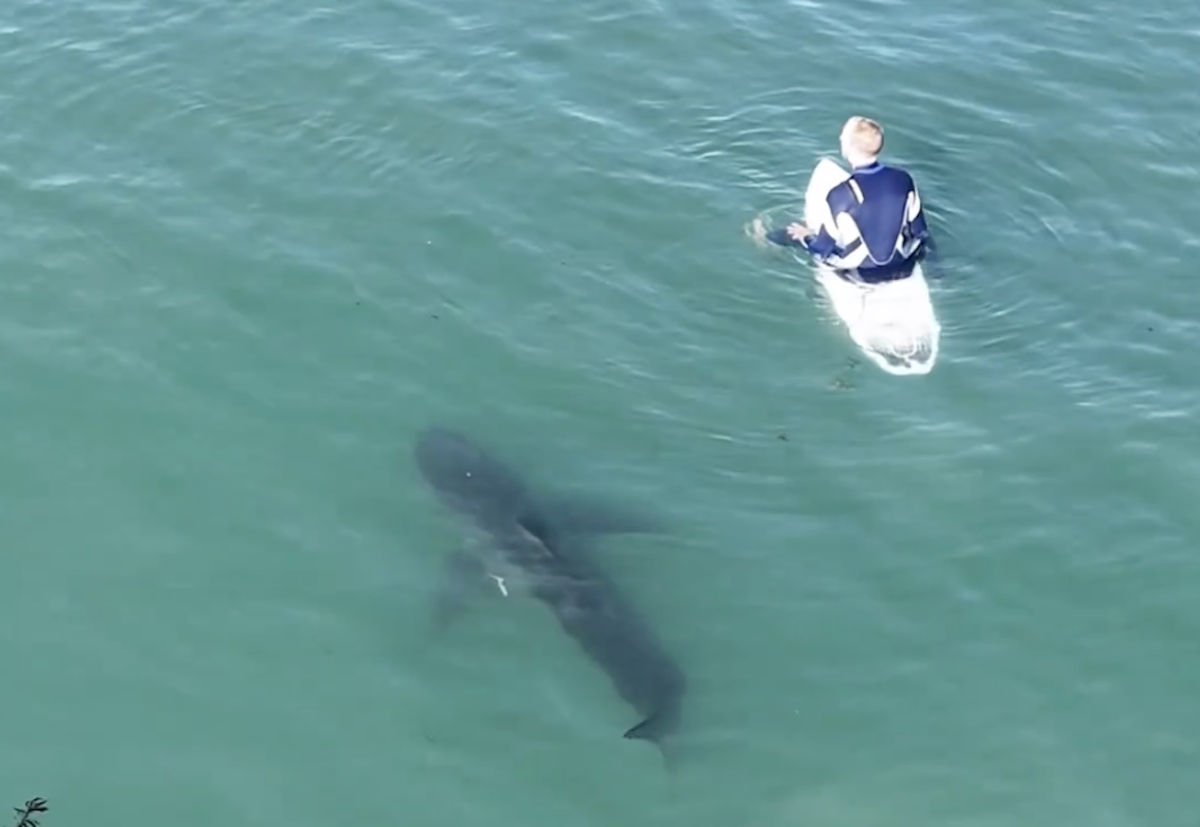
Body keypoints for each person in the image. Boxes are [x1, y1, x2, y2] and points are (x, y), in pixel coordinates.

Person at [751, 116, 931, 283]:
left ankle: (763, 238)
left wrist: (806, 236)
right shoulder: (904, 179)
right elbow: (920, 231)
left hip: (861, 271)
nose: (839, 138)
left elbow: (822, 249)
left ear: (849, 148)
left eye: (843, 137)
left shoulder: (840, 195)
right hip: (902, 262)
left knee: (793, 234)